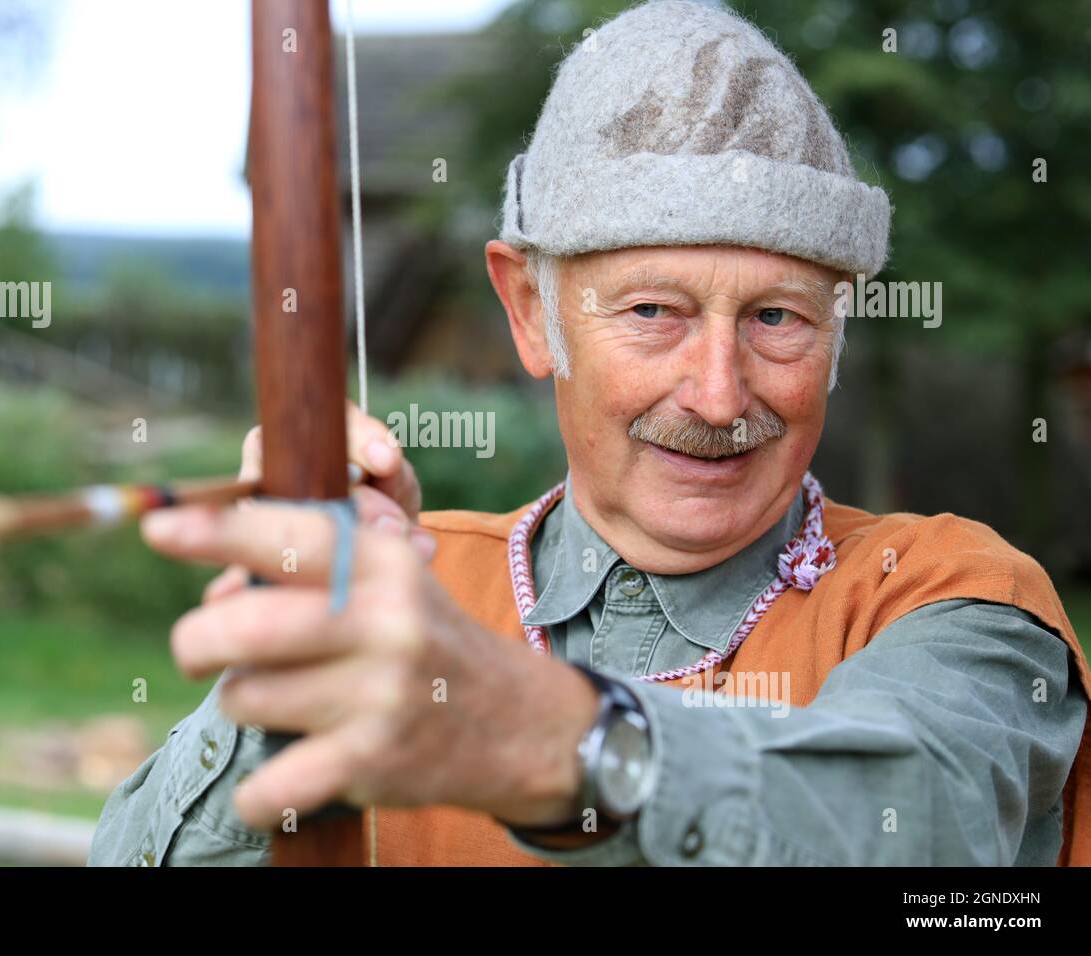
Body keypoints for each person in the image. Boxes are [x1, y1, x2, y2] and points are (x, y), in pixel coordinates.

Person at [87, 0, 1090, 867]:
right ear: (529, 310)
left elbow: (910, 818)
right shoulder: (403, 603)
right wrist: (288, 657)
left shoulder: (957, 599)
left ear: (835, 332)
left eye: (776, 317)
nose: (715, 392)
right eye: (652, 310)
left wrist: (553, 743)